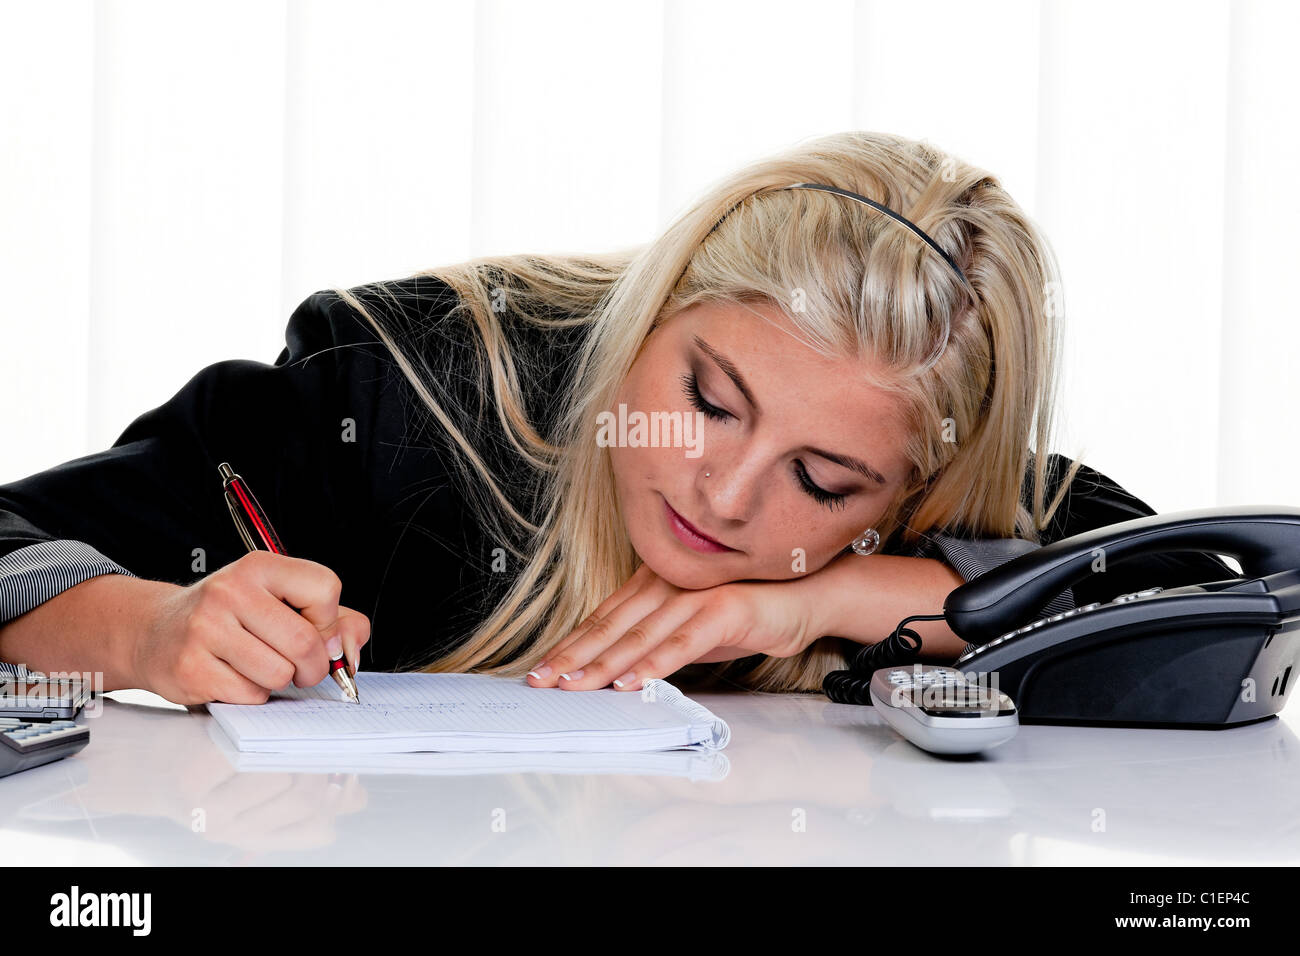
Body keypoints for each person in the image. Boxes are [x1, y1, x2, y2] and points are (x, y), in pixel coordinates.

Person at [0, 131, 1233, 705]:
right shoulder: (400, 387)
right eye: (706, 400)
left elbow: (1200, 607)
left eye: (824, 481)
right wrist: (153, 629)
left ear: (909, 481)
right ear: (648, 311)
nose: (727, 495)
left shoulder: (921, 483)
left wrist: (817, 600)